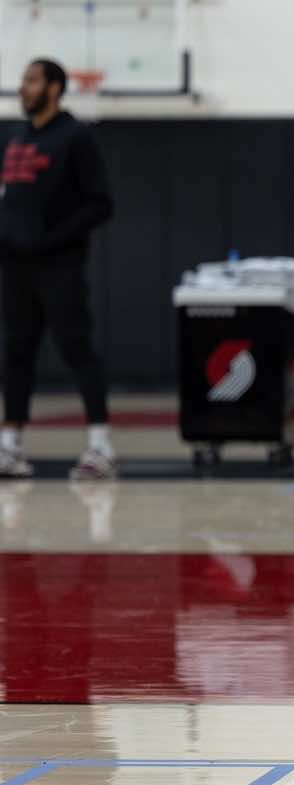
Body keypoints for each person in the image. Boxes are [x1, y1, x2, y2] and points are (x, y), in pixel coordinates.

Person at [0, 58, 116, 480]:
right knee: (16, 352)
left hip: (58, 265)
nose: (23, 87)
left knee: (77, 349)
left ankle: (100, 447)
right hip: (15, 267)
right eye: (23, 80)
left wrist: (49, 240)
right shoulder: (17, 138)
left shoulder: (75, 137)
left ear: (54, 88)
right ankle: (10, 446)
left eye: (31, 80)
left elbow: (101, 204)